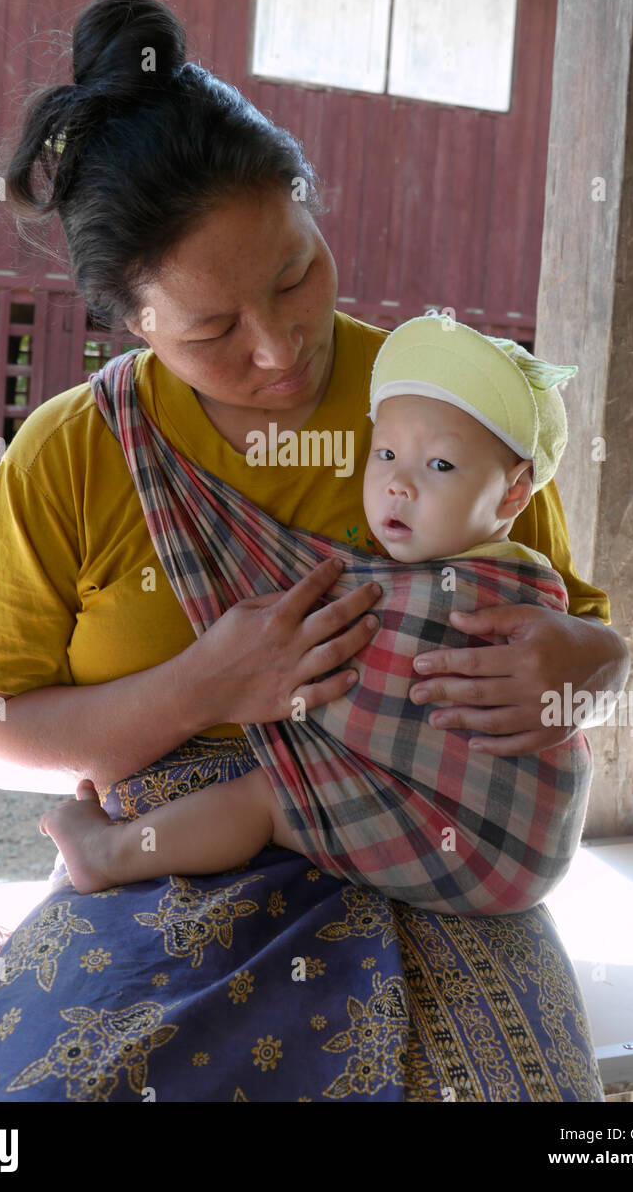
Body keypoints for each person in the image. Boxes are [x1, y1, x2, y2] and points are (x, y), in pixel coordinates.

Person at [0, 0, 629, 1102]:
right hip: (173, 853)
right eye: (212, 329)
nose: (278, 347)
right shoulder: (70, 454)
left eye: (296, 272)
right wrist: (204, 683)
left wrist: (579, 667)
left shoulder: (444, 399)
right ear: (132, 320)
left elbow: (578, 636)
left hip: (437, 849)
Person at [38, 315, 587, 902]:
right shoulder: (64, 445)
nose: (399, 485)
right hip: (522, 857)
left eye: (441, 466)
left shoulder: (504, 589)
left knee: (269, 801)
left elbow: (548, 666)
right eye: (387, 454)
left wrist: (598, 661)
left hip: (477, 838)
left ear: (513, 493)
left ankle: (107, 854)